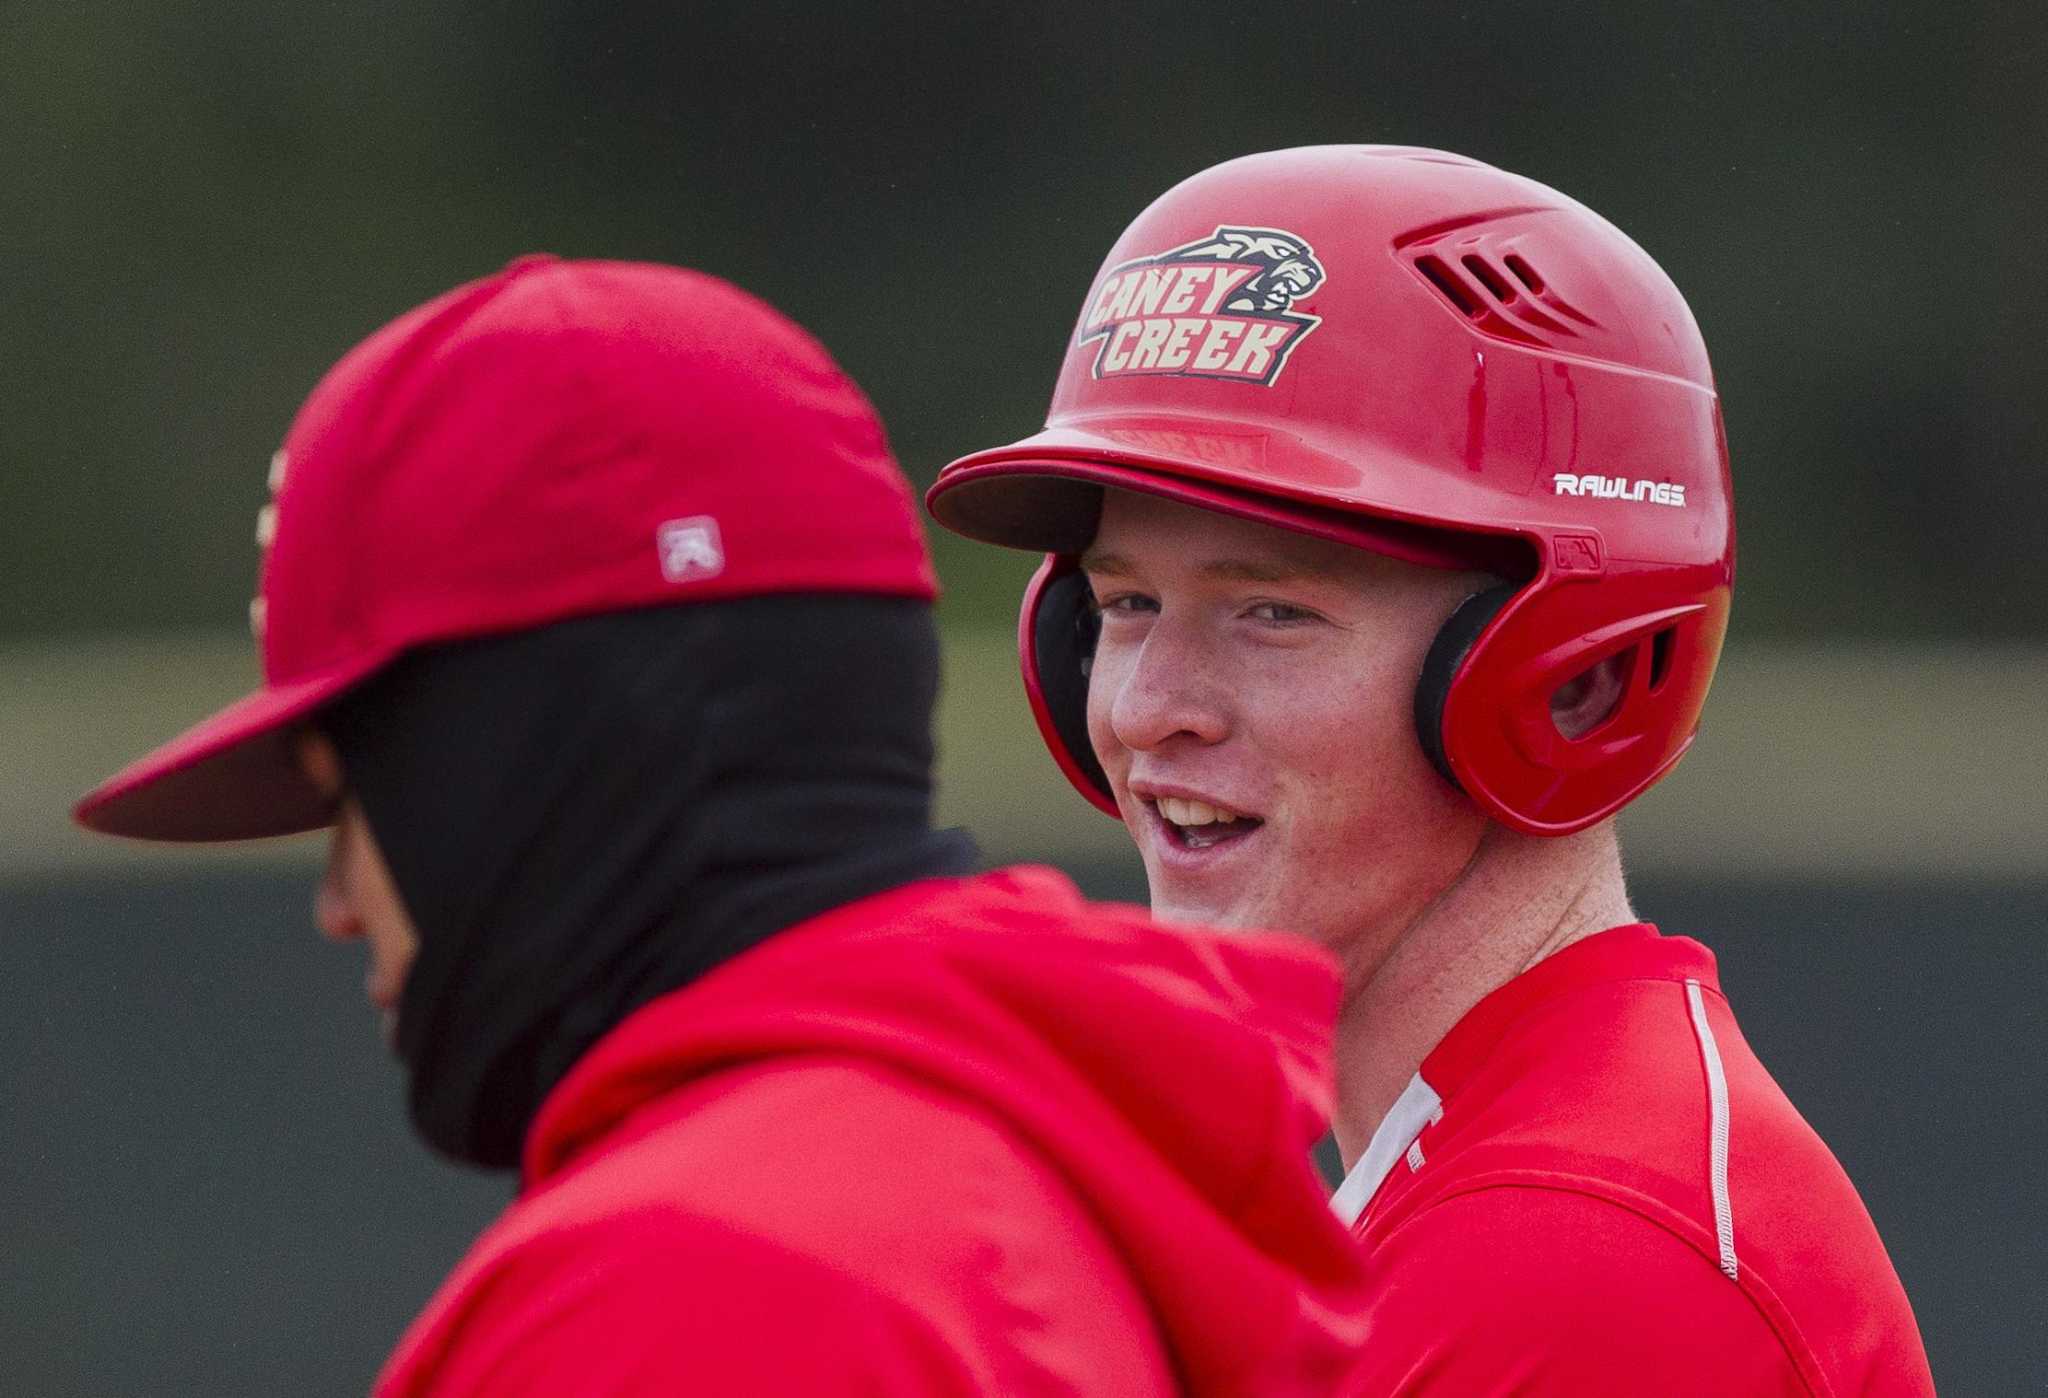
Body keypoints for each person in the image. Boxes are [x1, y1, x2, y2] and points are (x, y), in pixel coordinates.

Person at [74, 254, 1371, 1395]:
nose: (339, 900)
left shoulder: (705, 1280)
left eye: (358, 800)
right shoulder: (1052, 1162)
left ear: (504, 774)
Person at [926, 146, 1936, 1394]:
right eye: (1123, 606)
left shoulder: (1571, 1251)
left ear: (1570, 679)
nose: (1146, 709)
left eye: (1270, 615)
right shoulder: (1478, 1167)